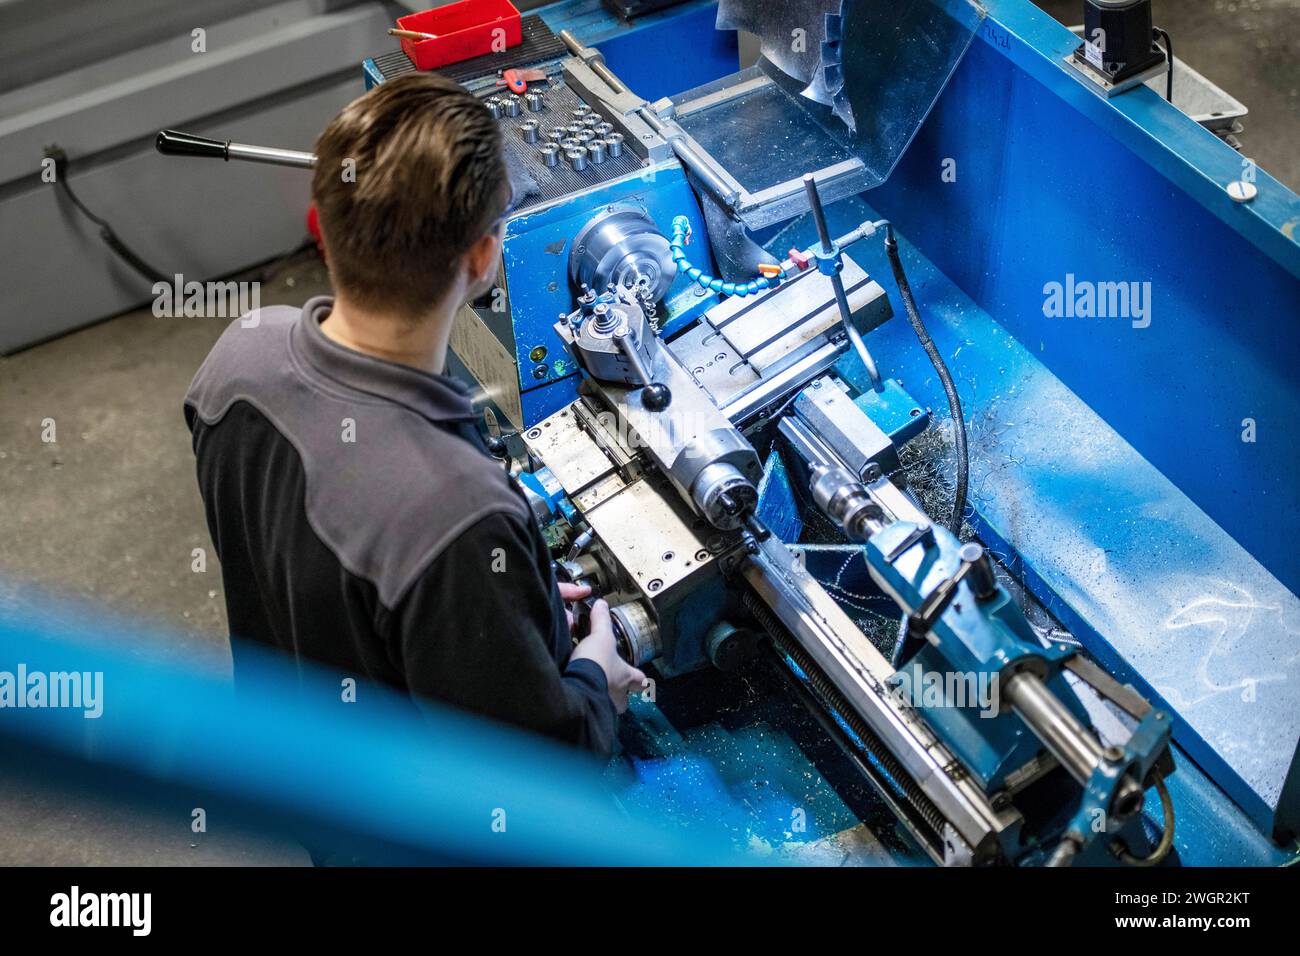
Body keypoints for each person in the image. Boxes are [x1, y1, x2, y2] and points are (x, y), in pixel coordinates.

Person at [183, 72, 645, 761]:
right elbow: (547, 767)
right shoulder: (454, 510)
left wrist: (501, 603)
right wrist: (592, 674)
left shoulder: (238, 356)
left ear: (325, 228)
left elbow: (325, 561)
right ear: (484, 259)